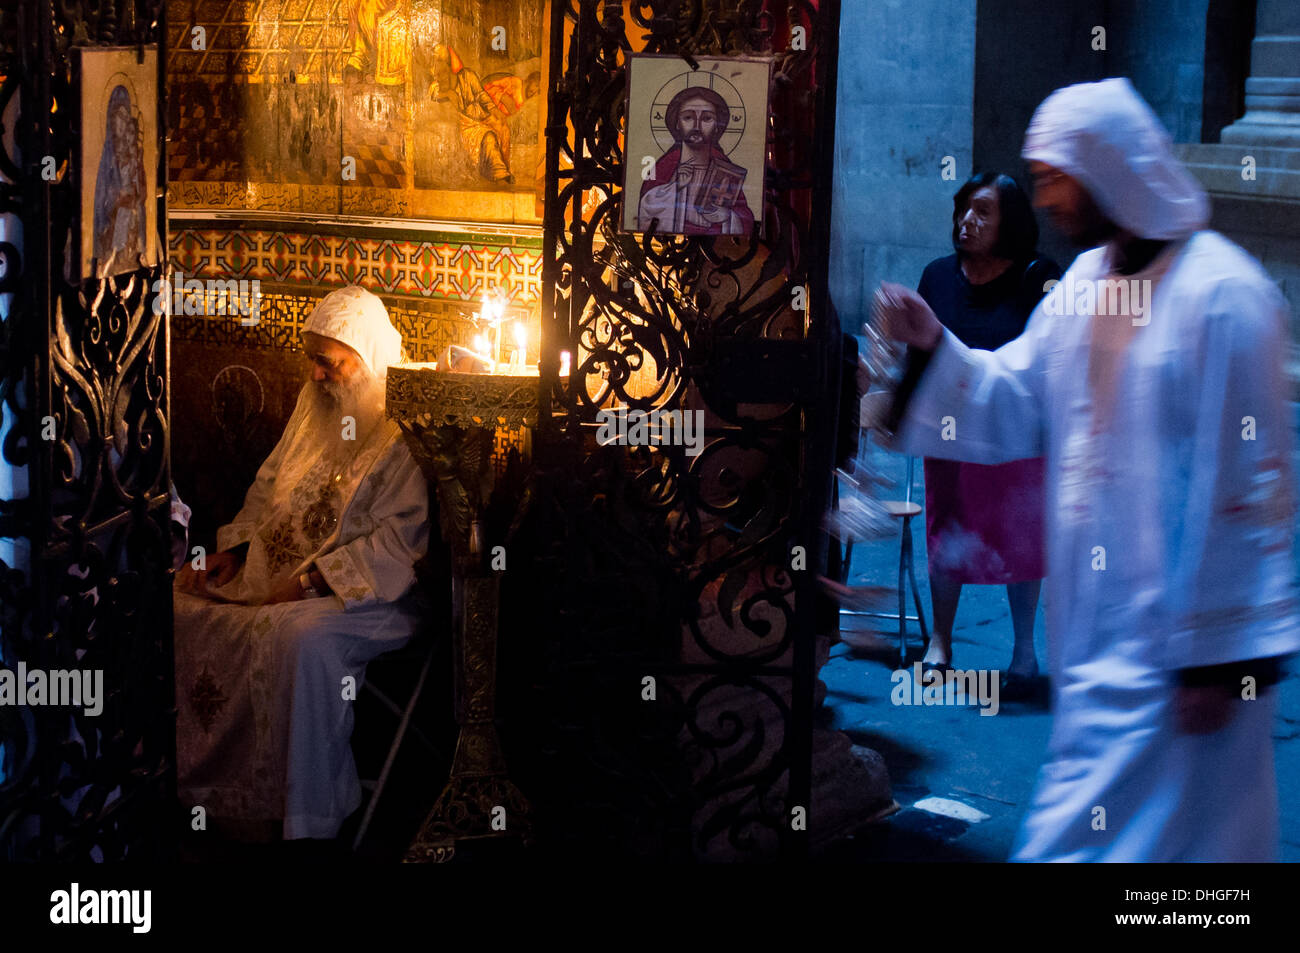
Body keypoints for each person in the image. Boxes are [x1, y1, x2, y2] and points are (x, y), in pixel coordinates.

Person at [876, 77, 1299, 861]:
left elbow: (1255, 484)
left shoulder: (1223, 295)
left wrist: (1225, 655)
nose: (1047, 198)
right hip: (1097, 634)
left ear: (1110, 168)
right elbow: (1015, 397)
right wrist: (934, 344)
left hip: (1185, 652)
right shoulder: (1083, 286)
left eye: (1054, 178)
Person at [173, 285, 431, 841]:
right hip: (275, 580)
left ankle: (306, 817)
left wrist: (310, 583)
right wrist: (234, 552)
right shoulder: (316, 408)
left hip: (365, 598)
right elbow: (269, 489)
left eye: (329, 362)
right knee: (182, 605)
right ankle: (227, 799)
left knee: (298, 641)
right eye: (312, 360)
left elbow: (398, 545)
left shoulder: (401, 435)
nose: (315, 375)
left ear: (364, 361)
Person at [915, 173, 1058, 697]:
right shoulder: (936, 276)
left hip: (1016, 434)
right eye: (962, 211)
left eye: (981, 212)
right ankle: (940, 641)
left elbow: (1049, 358)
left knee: (1020, 536)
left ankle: (1024, 650)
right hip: (949, 431)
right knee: (946, 532)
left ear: (1010, 222)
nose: (966, 222)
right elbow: (919, 352)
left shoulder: (1038, 277)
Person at [636, 86, 754, 236]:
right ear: (677, 123)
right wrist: (674, 189)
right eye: (688, 117)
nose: (696, 126)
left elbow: (746, 218)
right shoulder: (664, 168)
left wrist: (728, 217)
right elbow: (644, 214)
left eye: (706, 118)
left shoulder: (727, 172)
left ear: (718, 125)